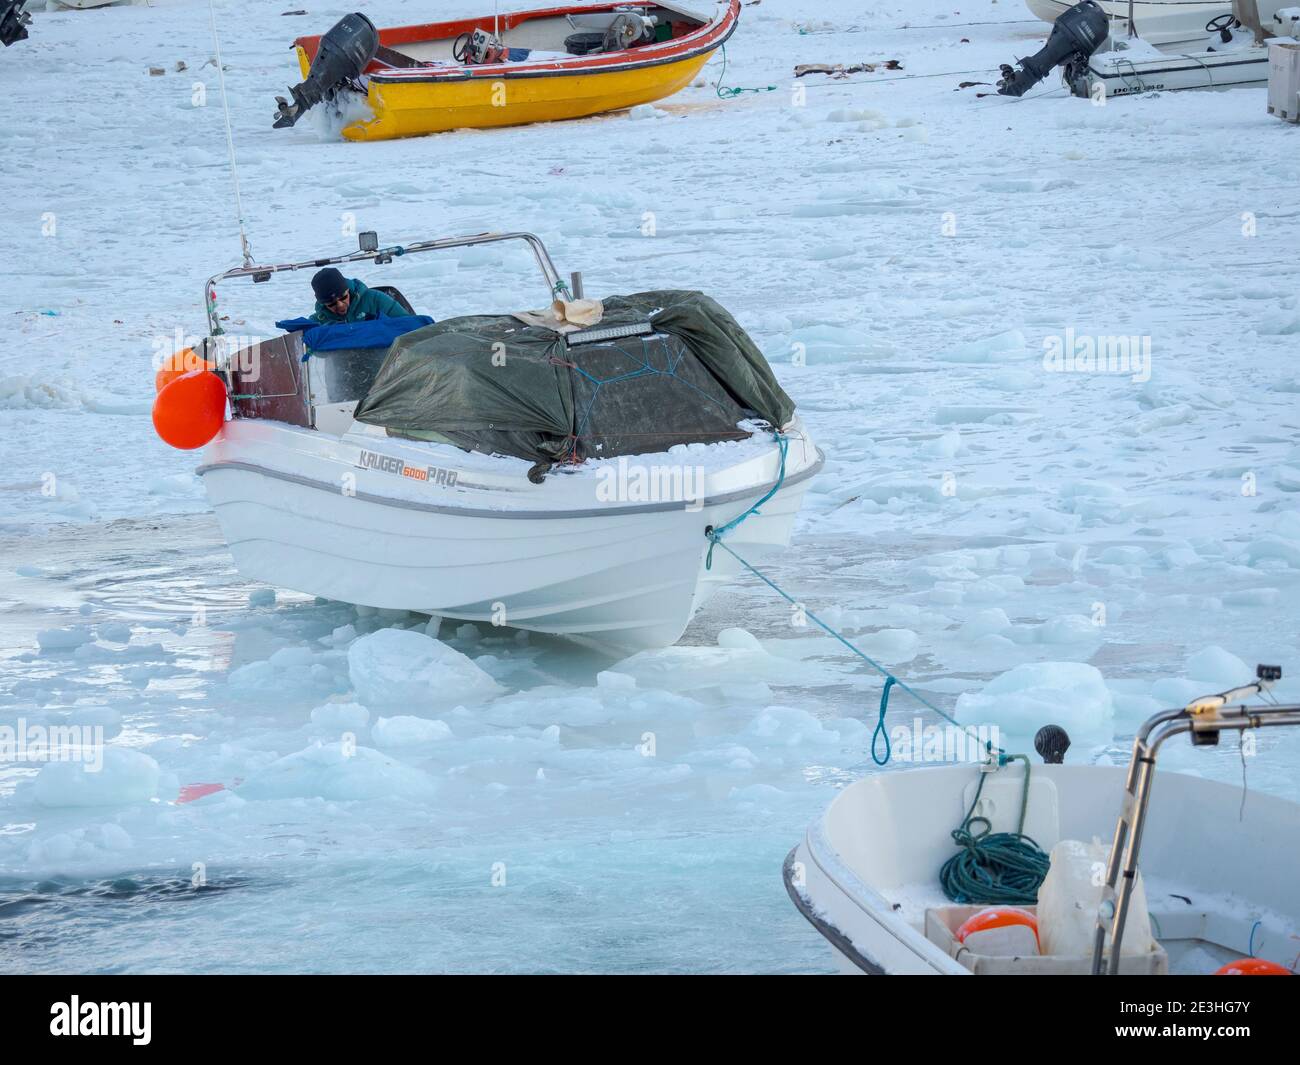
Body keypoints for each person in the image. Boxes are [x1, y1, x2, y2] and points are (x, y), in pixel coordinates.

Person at [309, 267, 408, 324]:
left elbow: (409, 325)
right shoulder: (318, 322)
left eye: (343, 297)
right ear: (323, 304)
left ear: (348, 290)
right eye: (331, 303)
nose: (340, 305)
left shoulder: (377, 300)